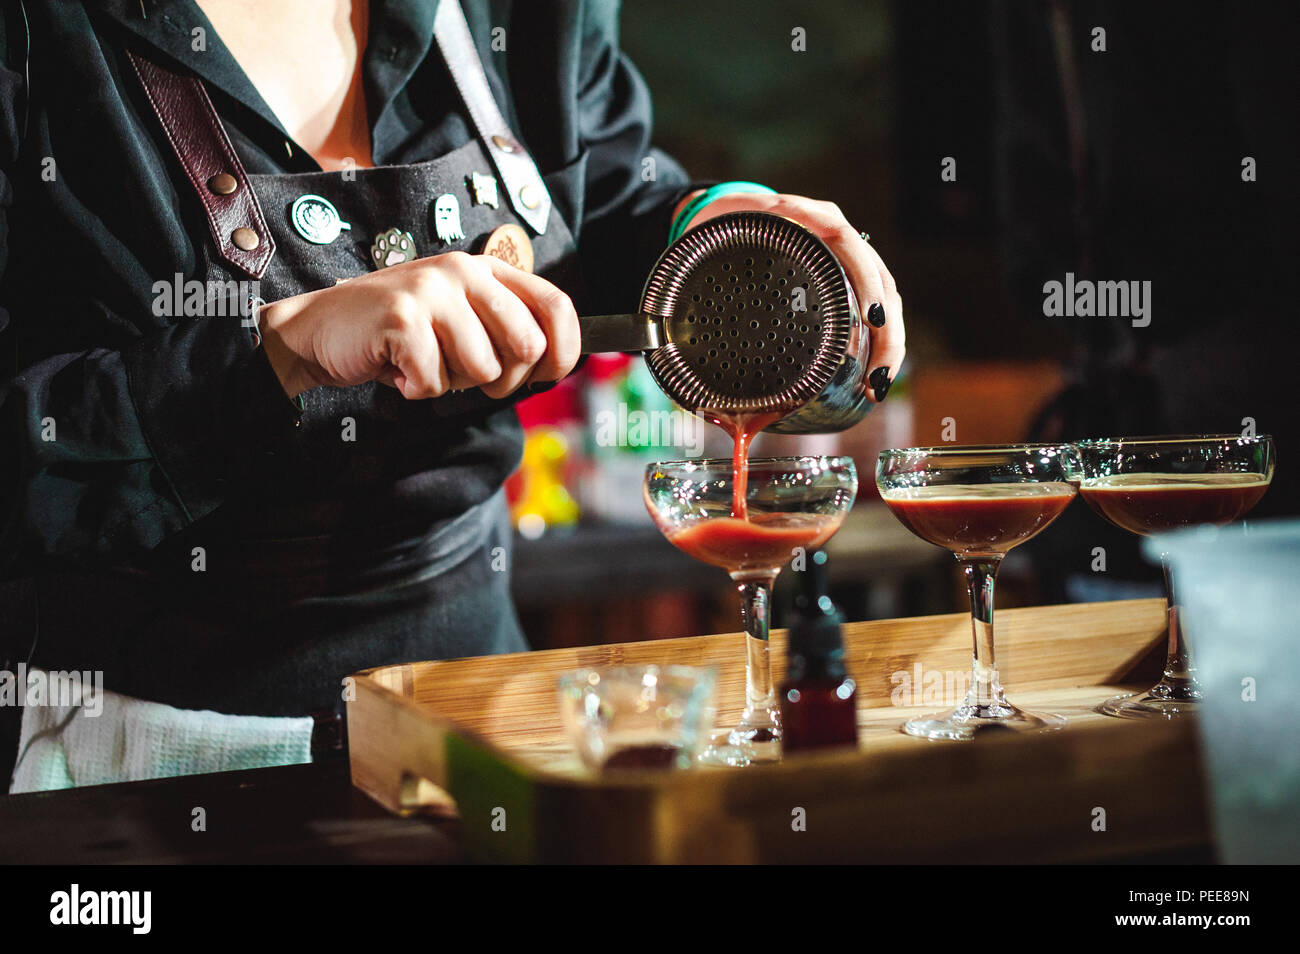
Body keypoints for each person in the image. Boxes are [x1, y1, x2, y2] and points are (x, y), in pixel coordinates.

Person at [0, 0, 904, 790]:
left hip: (483, 712)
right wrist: (280, 351)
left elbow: (609, 198)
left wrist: (719, 224)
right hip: (163, 749)